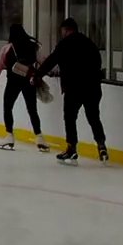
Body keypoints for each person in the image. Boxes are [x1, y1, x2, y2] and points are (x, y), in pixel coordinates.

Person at [30, 16, 108, 164]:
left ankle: (71, 149)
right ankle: (101, 145)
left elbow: (51, 60)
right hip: (93, 87)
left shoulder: (64, 44)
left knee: (70, 118)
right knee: (93, 116)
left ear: (65, 30)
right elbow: (98, 62)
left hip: (74, 87)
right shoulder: (89, 43)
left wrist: (38, 75)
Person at [0, 24, 51, 153]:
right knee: (32, 110)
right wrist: (41, 74)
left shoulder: (7, 49)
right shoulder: (33, 46)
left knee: (8, 107)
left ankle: (9, 136)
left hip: (13, 82)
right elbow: (44, 61)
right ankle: (39, 138)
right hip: (29, 81)